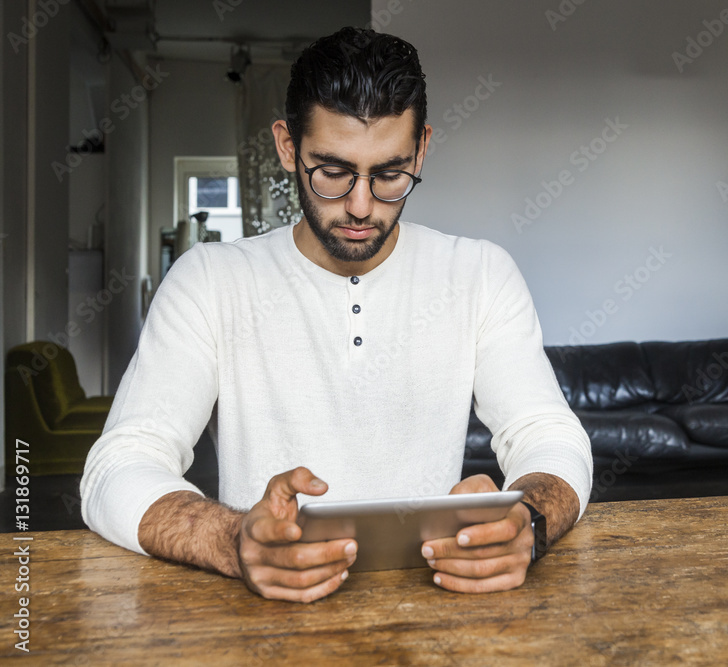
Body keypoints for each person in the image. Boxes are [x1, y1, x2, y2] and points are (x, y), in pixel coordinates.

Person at [80, 27, 593, 603]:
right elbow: (118, 467)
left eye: (390, 174)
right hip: (268, 620)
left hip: (438, 612)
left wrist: (528, 520)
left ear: (421, 149)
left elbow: (547, 434)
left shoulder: (480, 274)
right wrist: (232, 539)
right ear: (286, 147)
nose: (360, 205)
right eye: (332, 171)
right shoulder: (209, 281)